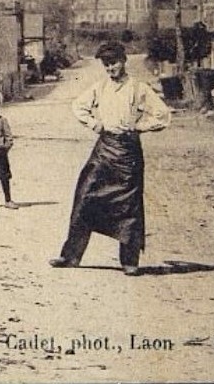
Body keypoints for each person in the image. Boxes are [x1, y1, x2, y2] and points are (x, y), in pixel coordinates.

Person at [50, 40, 171, 276]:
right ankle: (71, 256)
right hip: (104, 148)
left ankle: (130, 261)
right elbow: (79, 106)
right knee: (85, 196)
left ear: (123, 61)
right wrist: (96, 124)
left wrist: (139, 126)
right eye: (106, 65)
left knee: (129, 206)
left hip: (128, 153)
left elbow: (163, 115)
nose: (110, 69)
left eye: (113, 63)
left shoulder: (139, 88)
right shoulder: (100, 87)